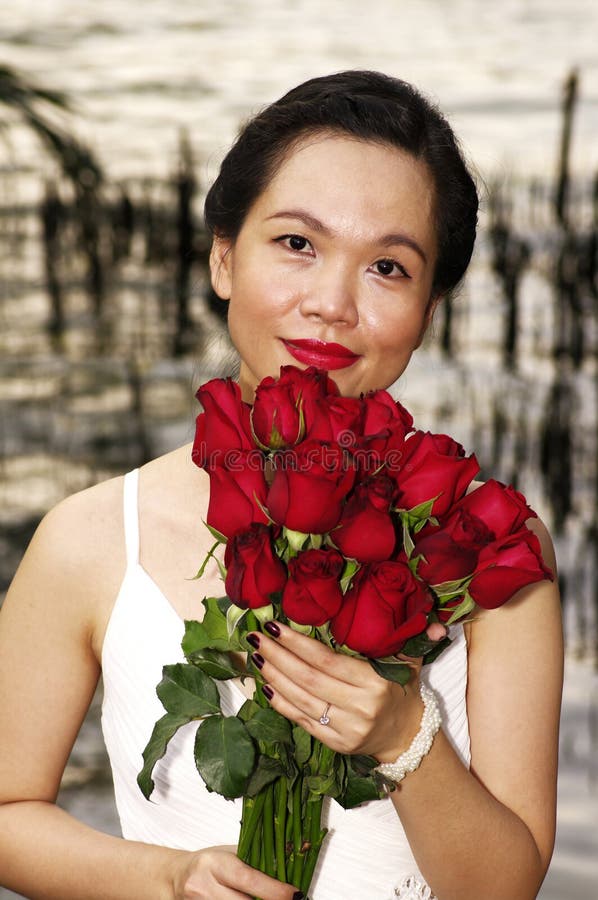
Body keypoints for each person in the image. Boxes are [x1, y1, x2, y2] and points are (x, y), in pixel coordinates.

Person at [0, 70, 563, 900]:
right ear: (223, 255)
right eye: (297, 244)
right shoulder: (89, 539)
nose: (333, 303)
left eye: (389, 267)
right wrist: (170, 880)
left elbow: (505, 887)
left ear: (431, 309)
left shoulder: (487, 545)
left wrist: (405, 736)